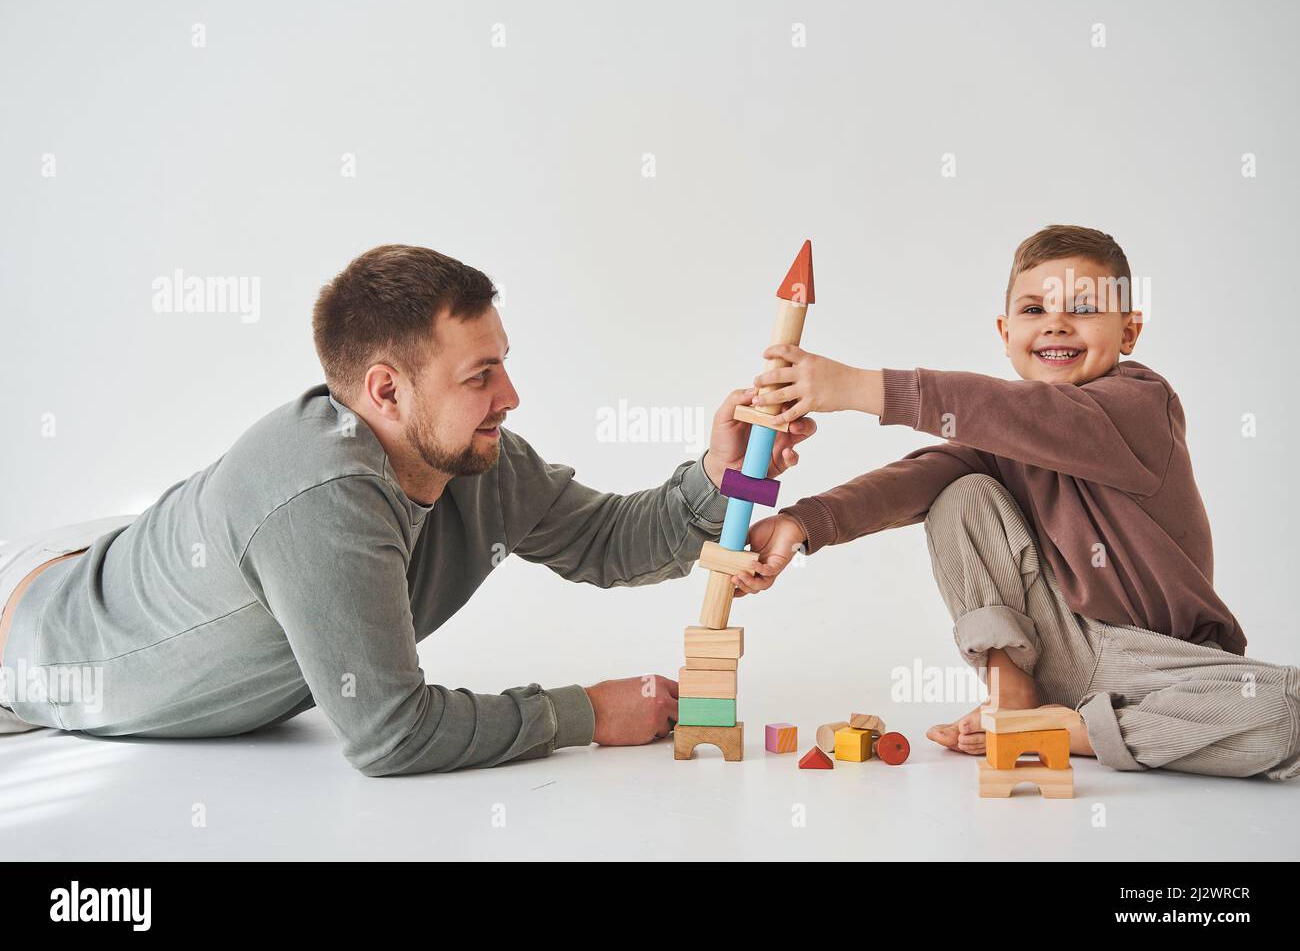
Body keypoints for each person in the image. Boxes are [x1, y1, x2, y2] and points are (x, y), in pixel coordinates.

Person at [0, 245, 814, 775]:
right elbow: (391, 733)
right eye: (479, 376)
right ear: (385, 390)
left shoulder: (471, 456)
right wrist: (586, 713)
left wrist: (718, 472)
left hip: (126, 557)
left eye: (504, 366)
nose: (511, 396)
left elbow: (605, 540)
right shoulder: (324, 499)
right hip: (43, 636)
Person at [737, 224, 1300, 780]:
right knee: (959, 492)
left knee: (1289, 708)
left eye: (1083, 307)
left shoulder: (1142, 405)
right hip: (1054, 642)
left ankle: (1068, 729)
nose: (1056, 322)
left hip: (1158, 663)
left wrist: (861, 387)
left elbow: (1026, 414)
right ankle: (1013, 697)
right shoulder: (1002, 440)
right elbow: (919, 476)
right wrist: (802, 523)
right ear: (1005, 333)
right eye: (1033, 310)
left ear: (1129, 332)